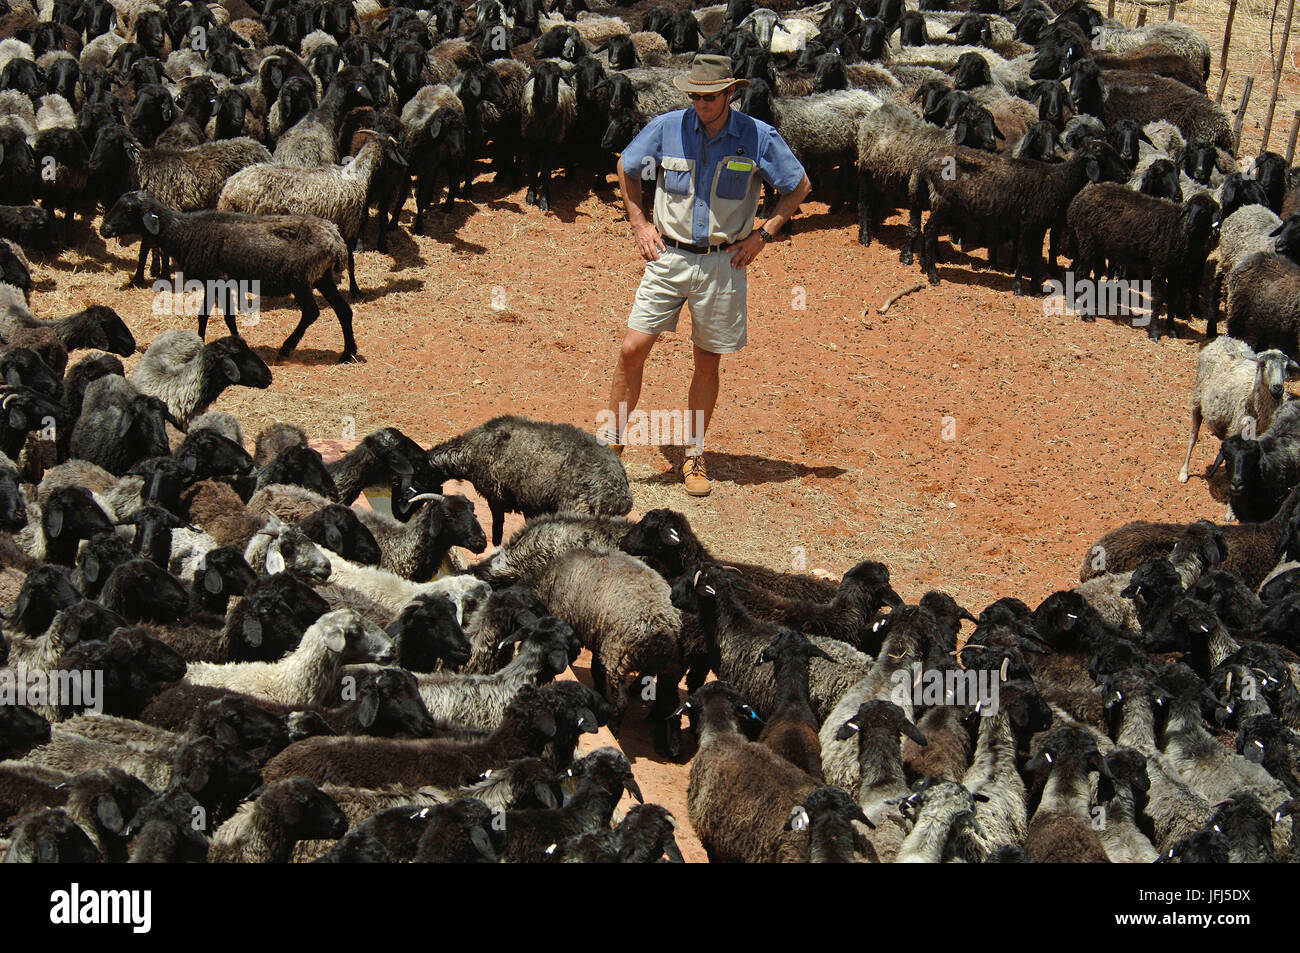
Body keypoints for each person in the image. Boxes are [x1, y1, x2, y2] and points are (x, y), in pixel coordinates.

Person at [599, 54, 812, 497]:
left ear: (730, 93)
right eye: (694, 95)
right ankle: (611, 445)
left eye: (710, 95)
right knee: (631, 348)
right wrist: (639, 223)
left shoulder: (757, 136)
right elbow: (627, 166)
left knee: (707, 361)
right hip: (668, 258)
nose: (701, 102)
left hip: (722, 262)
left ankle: (695, 454)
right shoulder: (666, 127)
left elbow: (799, 185)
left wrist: (764, 235)